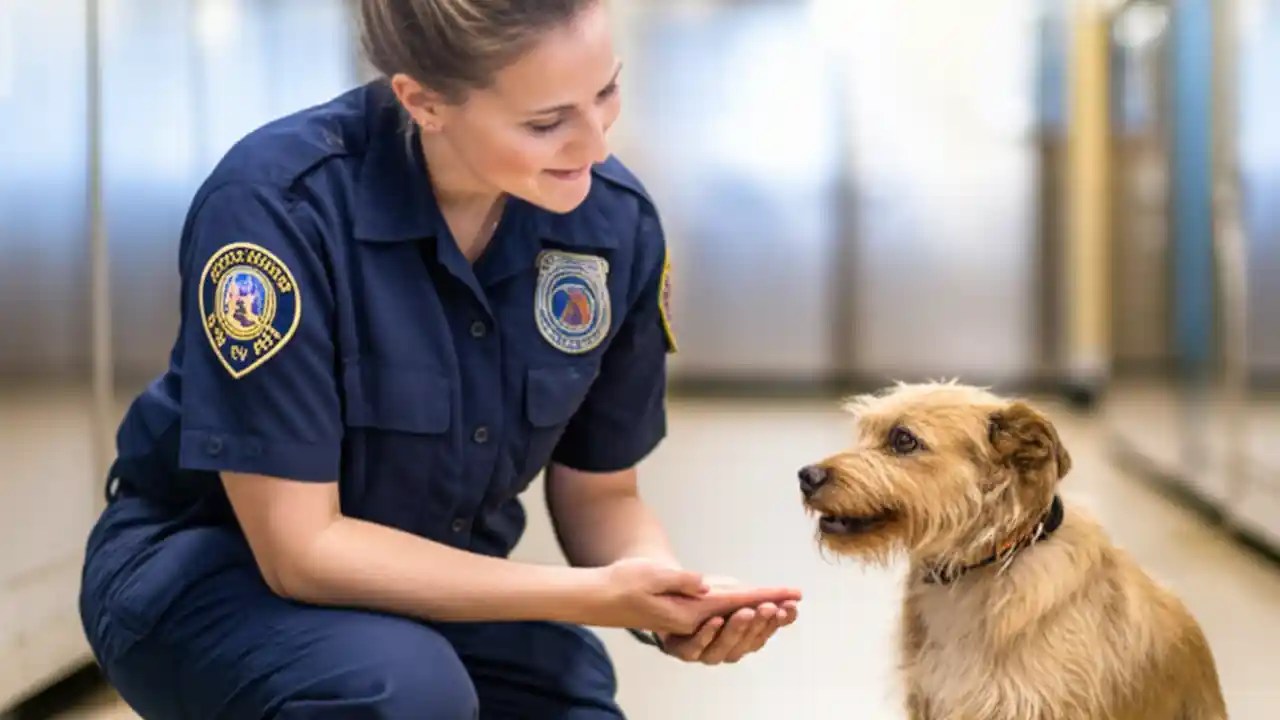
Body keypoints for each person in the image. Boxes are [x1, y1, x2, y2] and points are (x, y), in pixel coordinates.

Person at [77, 1, 802, 717]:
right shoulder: (279, 208)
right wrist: (593, 597)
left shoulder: (611, 223)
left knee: (570, 695)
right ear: (424, 103)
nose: (596, 146)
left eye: (606, 91)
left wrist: (670, 600)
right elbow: (301, 553)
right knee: (405, 693)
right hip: (213, 577)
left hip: (436, 591)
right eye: (546, 121)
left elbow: (602, 495)